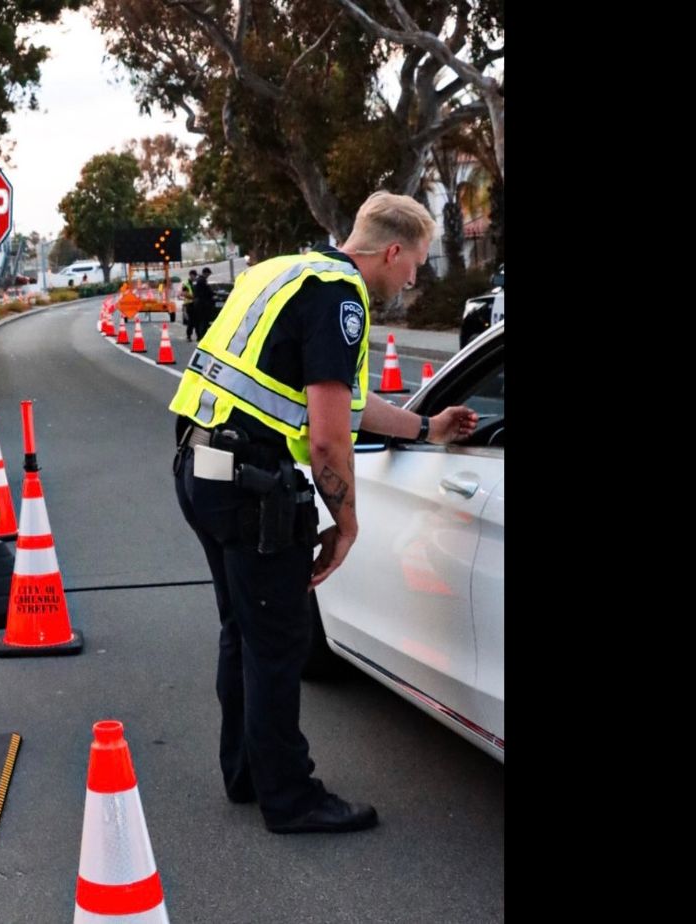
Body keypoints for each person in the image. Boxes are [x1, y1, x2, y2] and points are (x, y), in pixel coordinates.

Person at [168, 191, 479, 834]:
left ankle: (249, 774)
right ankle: (291, 798)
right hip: (252, 488)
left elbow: (344, 401)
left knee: (245, 634)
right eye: (415, 264)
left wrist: (427, 427)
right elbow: (331, 438)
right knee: (277, 644)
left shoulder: (280, 271)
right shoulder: (342, 300)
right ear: (391, 251)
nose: (414, 278)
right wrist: (347, 523)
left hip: (200, 470)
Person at [189, 267, 214, 340]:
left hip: (197, 302)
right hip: (203, 304)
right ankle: (202, 336)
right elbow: (208, 292)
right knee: (204, 321)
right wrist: (212, 294)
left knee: (199, 320)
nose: (209, 276)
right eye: (208, 274)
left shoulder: (197, 280)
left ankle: (199, 336)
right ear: (206, 273)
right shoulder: (202, 280)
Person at [181, 270, 198, 340]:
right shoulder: (185, 283)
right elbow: (185, 293)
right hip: (189, 303)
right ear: (190, 275)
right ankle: (189, 335)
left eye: (195, 276)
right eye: (193, 275)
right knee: (191, 321)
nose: (194, 277)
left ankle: (199, 336)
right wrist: (194, 297)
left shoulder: (196, 282)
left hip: (196, 303)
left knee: (197, 321)